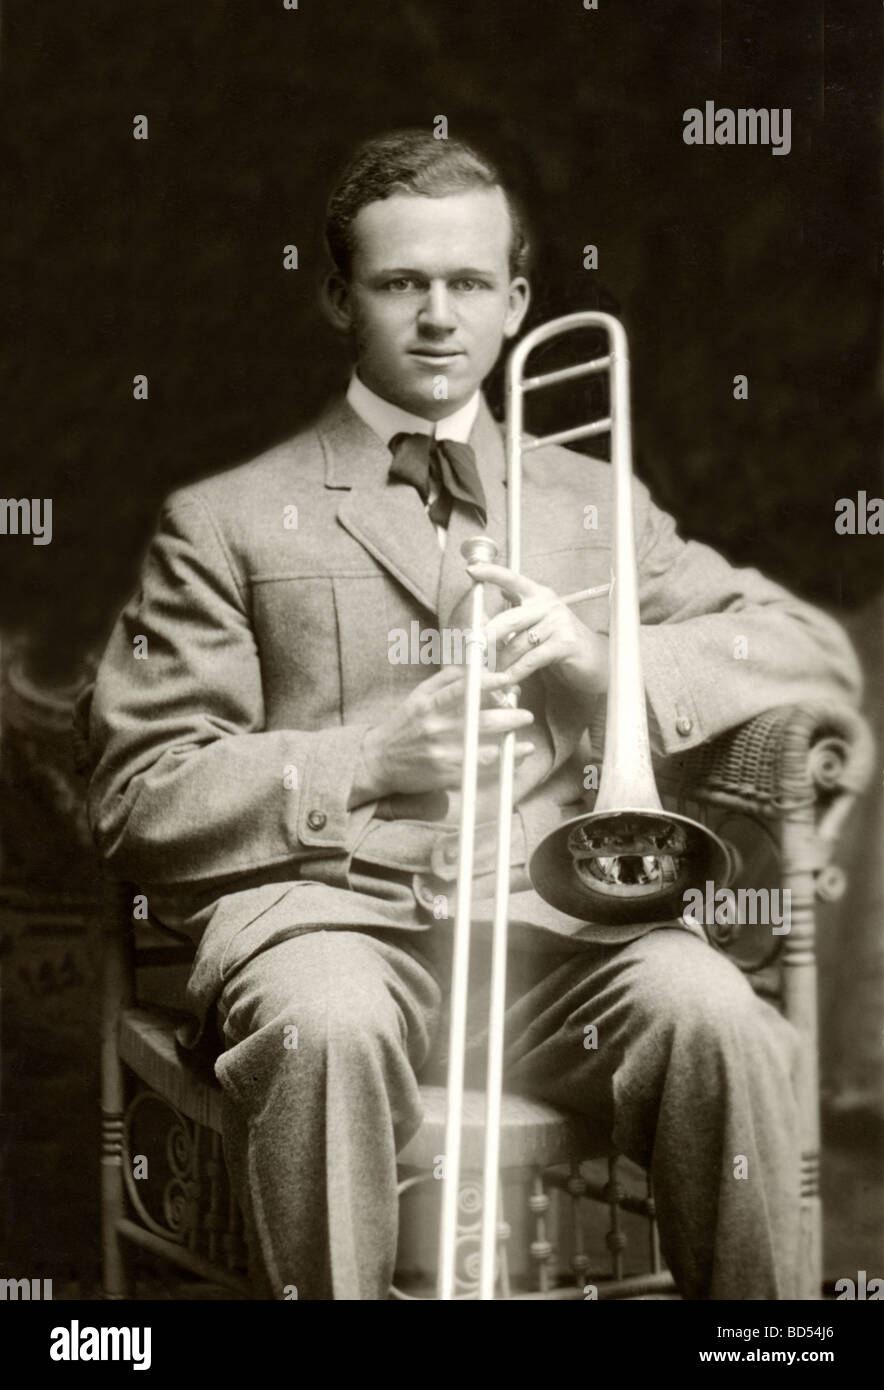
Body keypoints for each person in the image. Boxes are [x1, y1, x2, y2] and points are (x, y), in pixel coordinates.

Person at [83, 129, 862, 1300]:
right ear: (338, 296)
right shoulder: (226, 519)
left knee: (720, 1019)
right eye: (400, 283)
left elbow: (804, 654)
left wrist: (610, 668)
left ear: (516, 302)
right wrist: (366, 759)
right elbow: (139, 795)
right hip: (332, 930)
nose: (437, 315)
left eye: (466, 284)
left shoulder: (595, 500)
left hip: (558, 944)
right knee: (323, 1028)